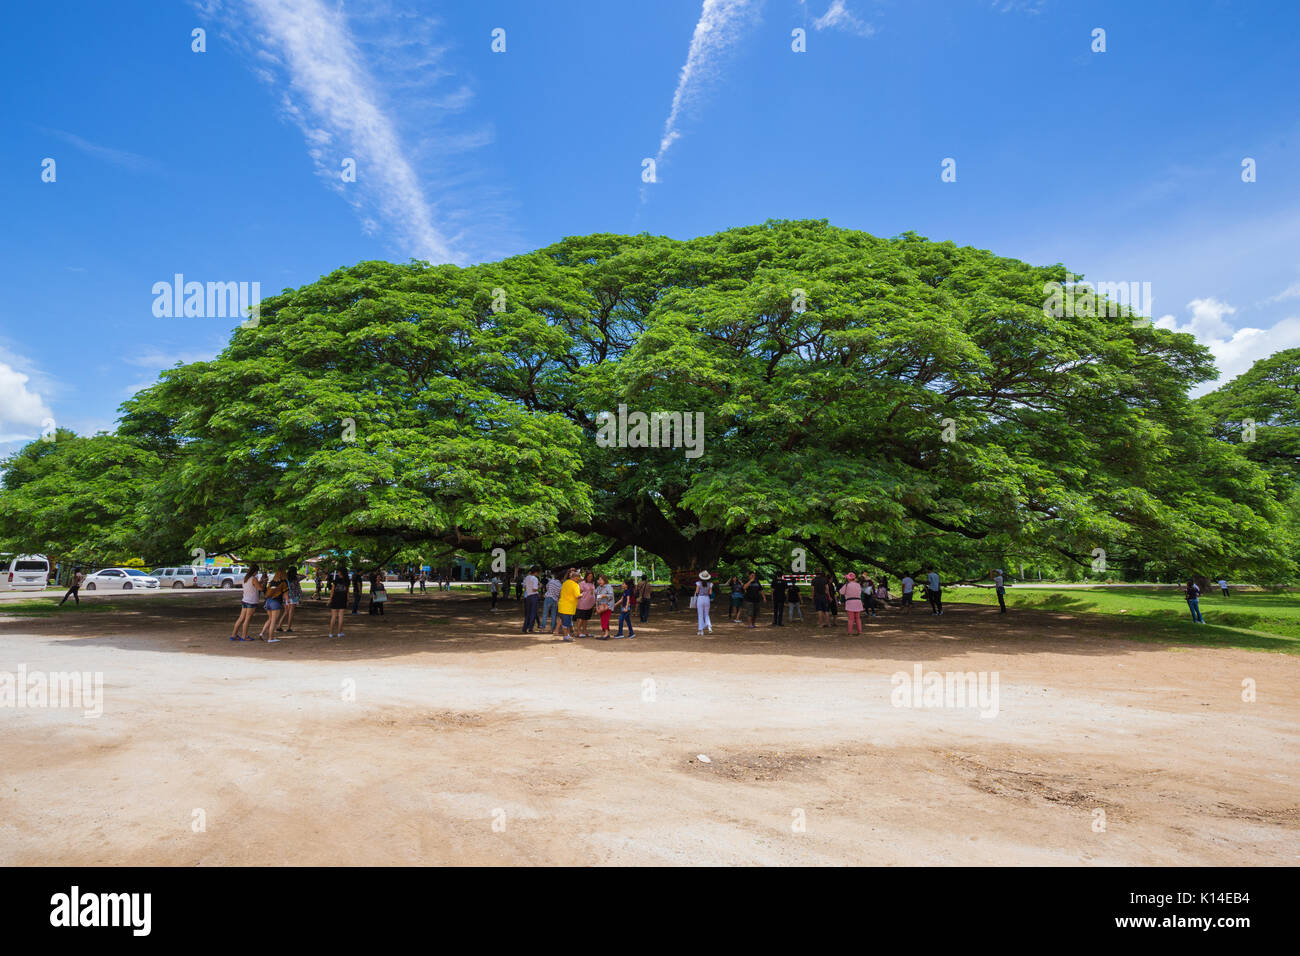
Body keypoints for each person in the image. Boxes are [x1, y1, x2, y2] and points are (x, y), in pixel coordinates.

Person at [231, 565, 263, 641]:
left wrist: (260, 582)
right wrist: (263, 584)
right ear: (255, 571)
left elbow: (252, 585)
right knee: (247, 619)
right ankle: (244, 636)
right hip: (252, 601)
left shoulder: (245, 578)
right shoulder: (254, 579)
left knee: (241, 618)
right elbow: (260, 588)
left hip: (245, 600)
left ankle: (234, 635)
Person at [258, 569, 288, 642]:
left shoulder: (271, 582)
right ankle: (271, 638)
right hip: (276, 602)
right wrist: (288, 602)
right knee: (273, 621)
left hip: (268, 602)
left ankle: (262, 633)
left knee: (270, 619)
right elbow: (285, 595)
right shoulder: (283, 583)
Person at [557, 569, 581, 642]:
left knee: (565, 622)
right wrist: (582, 594)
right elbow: (577, 596)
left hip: (561, 605)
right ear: (576, 578)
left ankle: (567, 635)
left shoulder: (565, 583)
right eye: (578, 578)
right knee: (566, 623)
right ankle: (566, 636)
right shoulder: (575, 585)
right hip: (568, 607)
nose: (578, 580)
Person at [328, 569, 349, 638]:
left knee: (333, 616)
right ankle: (339, 633)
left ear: (340, 573)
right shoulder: (347, 581)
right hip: (343, 599)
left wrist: (330, 600)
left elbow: (332, 591)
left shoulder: (336, 580)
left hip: (335, 598)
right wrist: (347, 600)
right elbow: (347, 592)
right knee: (341, 616)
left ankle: (331, 633)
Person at [575, 571, 597, 638]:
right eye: (589, 576)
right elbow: (579, 592)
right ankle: (578, 632)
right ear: (586, 576)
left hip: (589, 604)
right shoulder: (582, 583)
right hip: (582, 604)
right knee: (580, 618)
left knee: (586, 618)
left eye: (591, 576)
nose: (590, 577)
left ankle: (585, 631)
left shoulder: (592, 584)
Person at [280, 567, 302, 632]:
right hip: (293, 597)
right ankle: (289, 628)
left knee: (286, 612)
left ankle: (279, 626)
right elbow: (304, 576)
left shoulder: (286, 579)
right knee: (291, 613)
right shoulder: (296, 578)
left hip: (286, 597)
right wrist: (297, 574)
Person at [595, 574, 615, 639]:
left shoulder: (608, 587)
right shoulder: (599, 587)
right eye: (599, 580)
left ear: (604, 580)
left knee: (604, 620)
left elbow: (611, 596)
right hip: (601, 607)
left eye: (601, 580)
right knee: (603, 620)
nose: (599, 581)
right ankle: (605, 633)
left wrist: (605, 595)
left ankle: (606, 634)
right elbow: (594, 593)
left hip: (607, 606)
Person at [695, 570, 714, 635]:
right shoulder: (710, 584)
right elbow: (710, 593)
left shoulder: (698, 583)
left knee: (700, 615)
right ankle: (709, 627)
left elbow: (697, 592)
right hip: (707, 598)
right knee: (706, 614)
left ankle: (701, 630)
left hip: (700, 598)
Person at [522, 566, 540, 633]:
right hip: (534, 596)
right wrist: (539, 586)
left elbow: (525, 588)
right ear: (536, 572)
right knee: (533, 613)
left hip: (528, 596)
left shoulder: (527, 577)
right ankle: (530, 628)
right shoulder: (535, 579)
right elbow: (534, 589)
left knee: (528, 613)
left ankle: (524, 628)